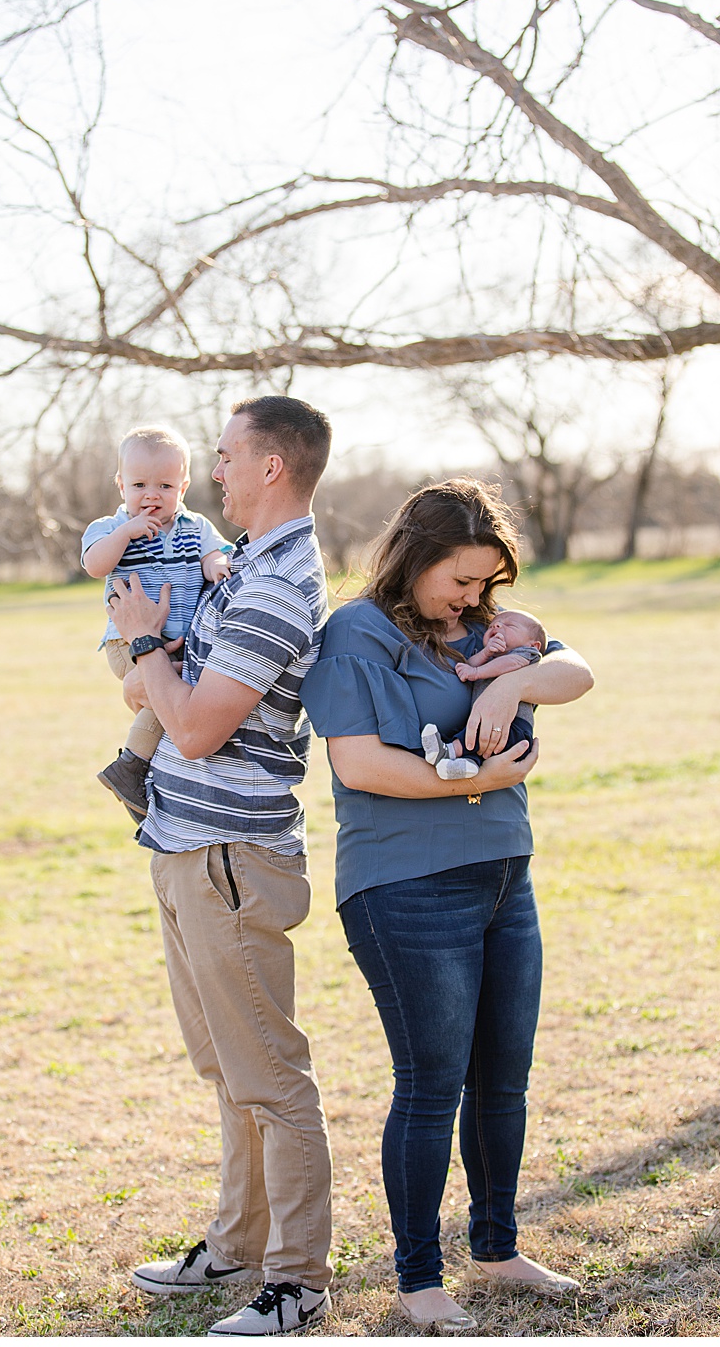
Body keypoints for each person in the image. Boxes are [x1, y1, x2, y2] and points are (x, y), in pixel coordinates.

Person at [299, 479, 595, 1334]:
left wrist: (510, 685)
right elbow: (359, 767)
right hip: (406, 887)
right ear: (417, 557)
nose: (474, 597)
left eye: (487, 582)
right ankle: (420, 1278)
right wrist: (478, 776)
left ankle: (497, 1250)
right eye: (460, 580)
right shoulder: (357, 633)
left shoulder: (494, 631)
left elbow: (578, 671)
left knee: (503, 1077)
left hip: (506, 873)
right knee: (433, 1084)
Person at [110, 395, 338, 1337]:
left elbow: (199, 726)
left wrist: (141, 642)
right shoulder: (239, 564)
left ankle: (297, 1279)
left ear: (272, 467)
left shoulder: (279, 582)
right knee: (225, 1066)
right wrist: (152, 662)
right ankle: (237, 1245)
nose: (214, 471)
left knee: (270, 1075)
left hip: (230, 859)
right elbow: (158, 693)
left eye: (227, 456)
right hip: (181, 845)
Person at [81, 424, 231, 822]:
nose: (151, 495)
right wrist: (126, 533)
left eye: (164, 486)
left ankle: (139, 771)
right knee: (172, 695)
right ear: (121, 486)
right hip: (127, 641)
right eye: (139, 485)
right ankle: (132, 767)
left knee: (179, 697)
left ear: (183, 487)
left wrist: (213, 562)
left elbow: (216, 553)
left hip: (180, 639)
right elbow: (96, 565)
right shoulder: (110, 528)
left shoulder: (195, 527)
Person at [419, 608, 548, 780]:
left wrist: (477, 672)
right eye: (493, 625)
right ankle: (466, 766)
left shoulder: (528, 655)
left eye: (509, 625)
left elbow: (508, 664)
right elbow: (470, 665)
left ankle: (449, 751)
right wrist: (485, 653)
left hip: (514, 727)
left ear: (533, 644)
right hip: (488, 723)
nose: (497, 626)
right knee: (475, 737)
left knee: (476, 735)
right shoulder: (490, 658)